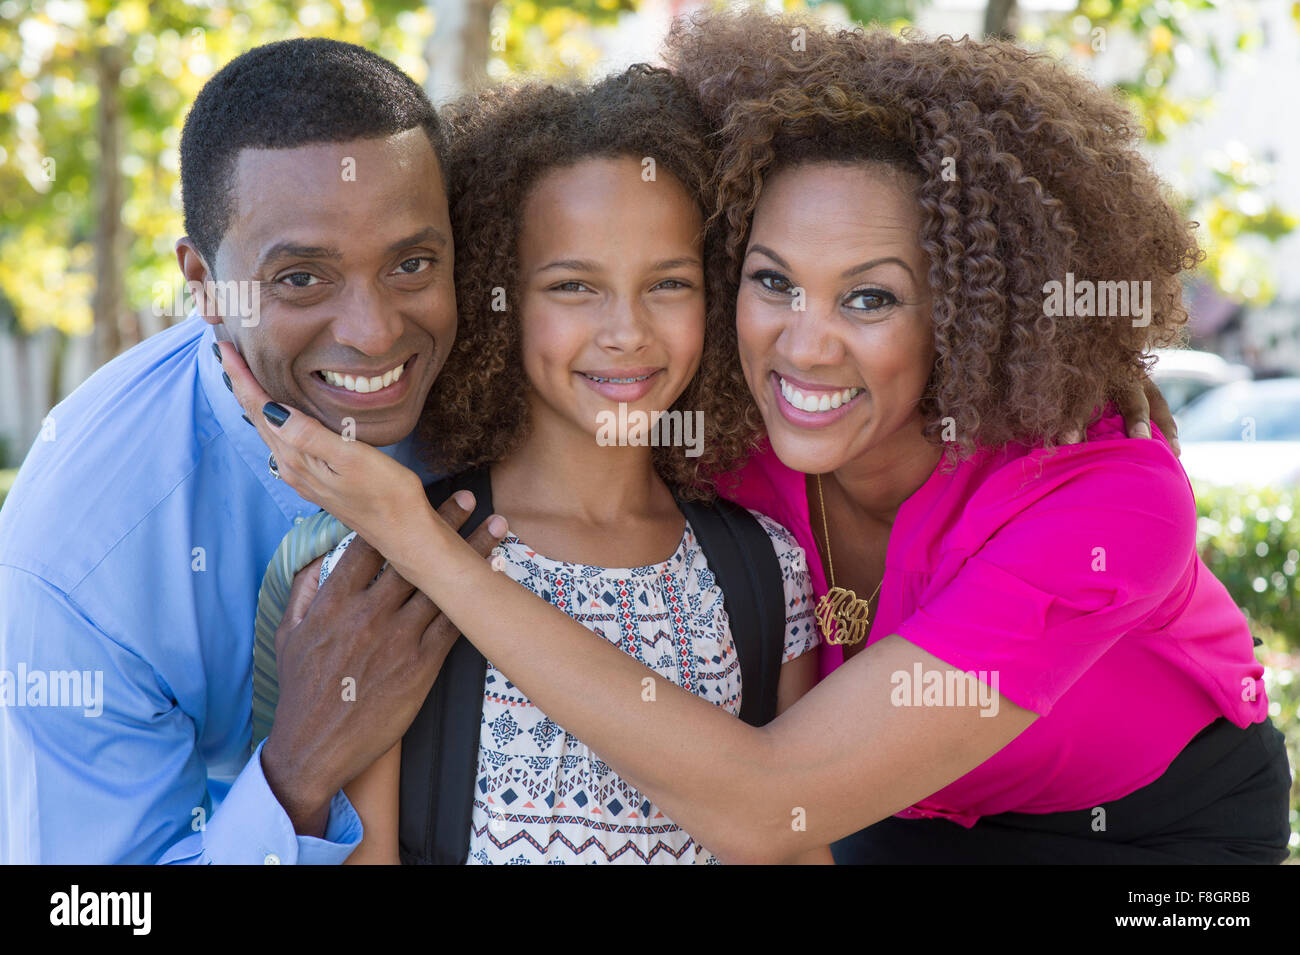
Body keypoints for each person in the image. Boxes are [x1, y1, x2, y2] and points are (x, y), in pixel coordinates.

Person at [221, 9, 1290, 864]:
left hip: (1146, 827)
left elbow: (767, 809)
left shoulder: (1107, 505)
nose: (804, 347)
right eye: (772, 281)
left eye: (869, 300)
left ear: (965, 312)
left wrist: (420, 545)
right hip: (881, 811)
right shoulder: (718, 434)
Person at [255, 66, 825, 864]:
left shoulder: (765, 567)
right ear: (500, 298)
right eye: (573, 286)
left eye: (668, 283)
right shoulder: (394, 568)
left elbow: (792, 844)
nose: (626, 331)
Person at [0, 38, 497, 863]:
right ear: (203, 283)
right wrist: (299, 770)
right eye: (302, 278)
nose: (374, 333)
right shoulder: (73, 565)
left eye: (412, 264)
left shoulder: (515, 384)